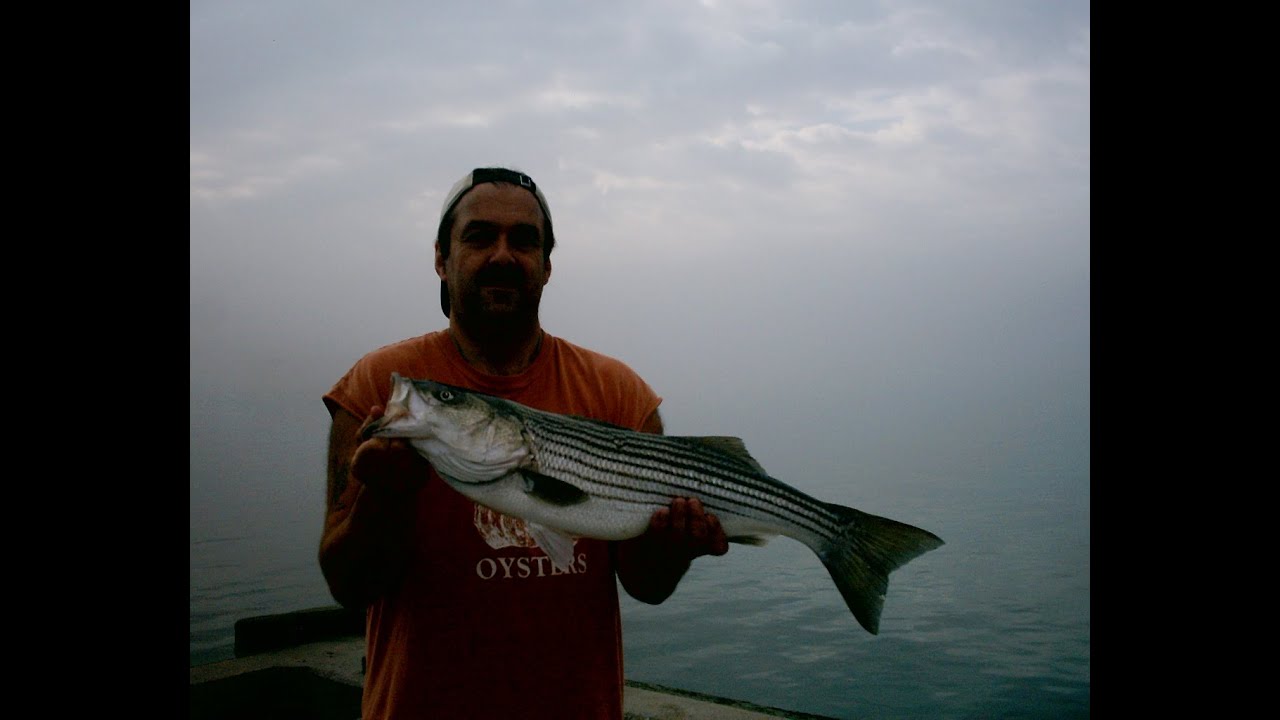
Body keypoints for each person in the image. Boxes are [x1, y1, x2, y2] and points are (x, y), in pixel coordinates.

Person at [319, 167, 730, 719]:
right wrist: (383, 498)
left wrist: (675, 545)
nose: (503, 255)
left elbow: (646, 585)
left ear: (547, 265)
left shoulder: (620, 395)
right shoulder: (380, 385)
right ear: (441, 258)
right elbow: (347, 585)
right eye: (480, 236)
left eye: (524, 240)